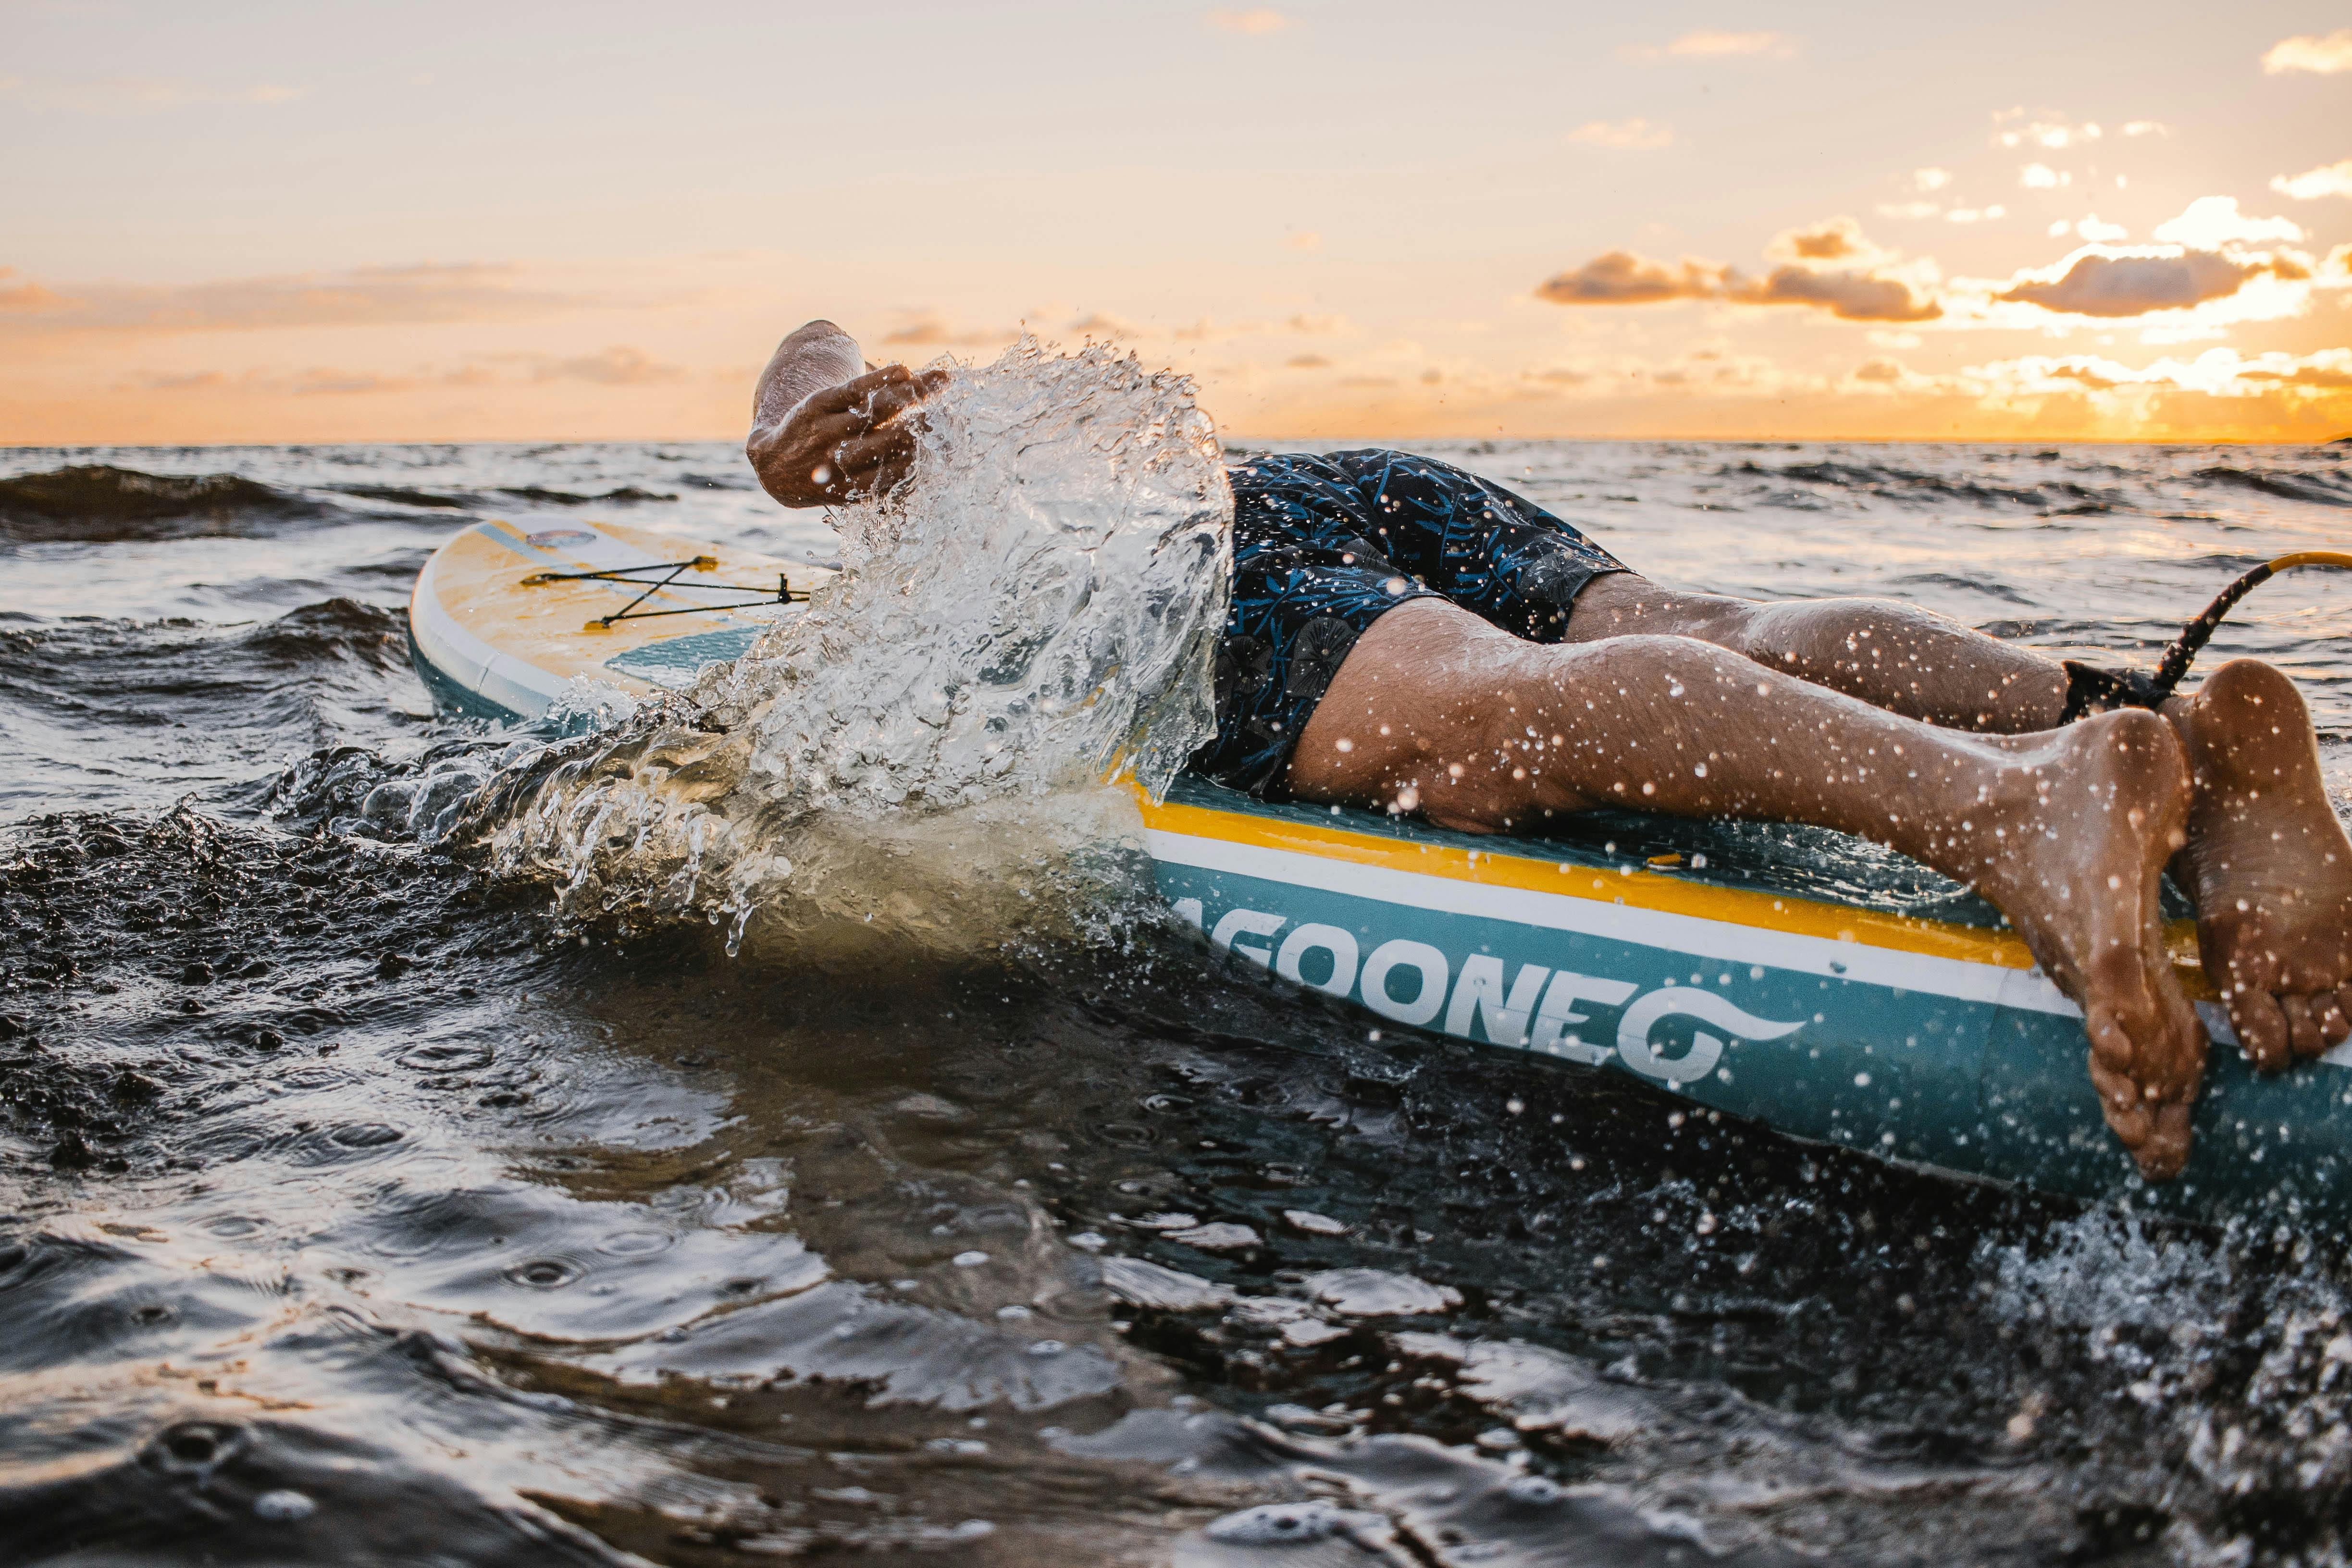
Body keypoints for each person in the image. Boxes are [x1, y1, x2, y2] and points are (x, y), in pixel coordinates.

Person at [744, 320, 2352, 1180]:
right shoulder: (987, 451)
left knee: (1481, 726)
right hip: (1374, 485)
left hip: (1216, 562)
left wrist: (787, 427)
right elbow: (820, 344)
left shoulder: (941, 500)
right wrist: (803, 414)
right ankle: (2149, 717)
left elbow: (811, 343)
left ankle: (2022, 811)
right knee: (1717, 629)